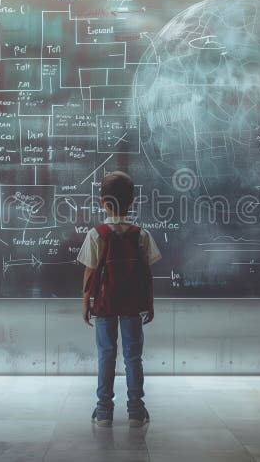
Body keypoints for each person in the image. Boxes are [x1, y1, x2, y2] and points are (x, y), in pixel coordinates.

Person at [76, 170, 162, 427]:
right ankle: (136, 410)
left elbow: (90, 273)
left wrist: (86, 304)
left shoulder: (97, 234)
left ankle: (104, 411)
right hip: (133, 306)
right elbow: (148, 273)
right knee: (133, 356)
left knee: (106, 355)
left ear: (102, 202)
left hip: (104, 305)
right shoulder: (141, 234)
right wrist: (150, 303)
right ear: (132, 202)